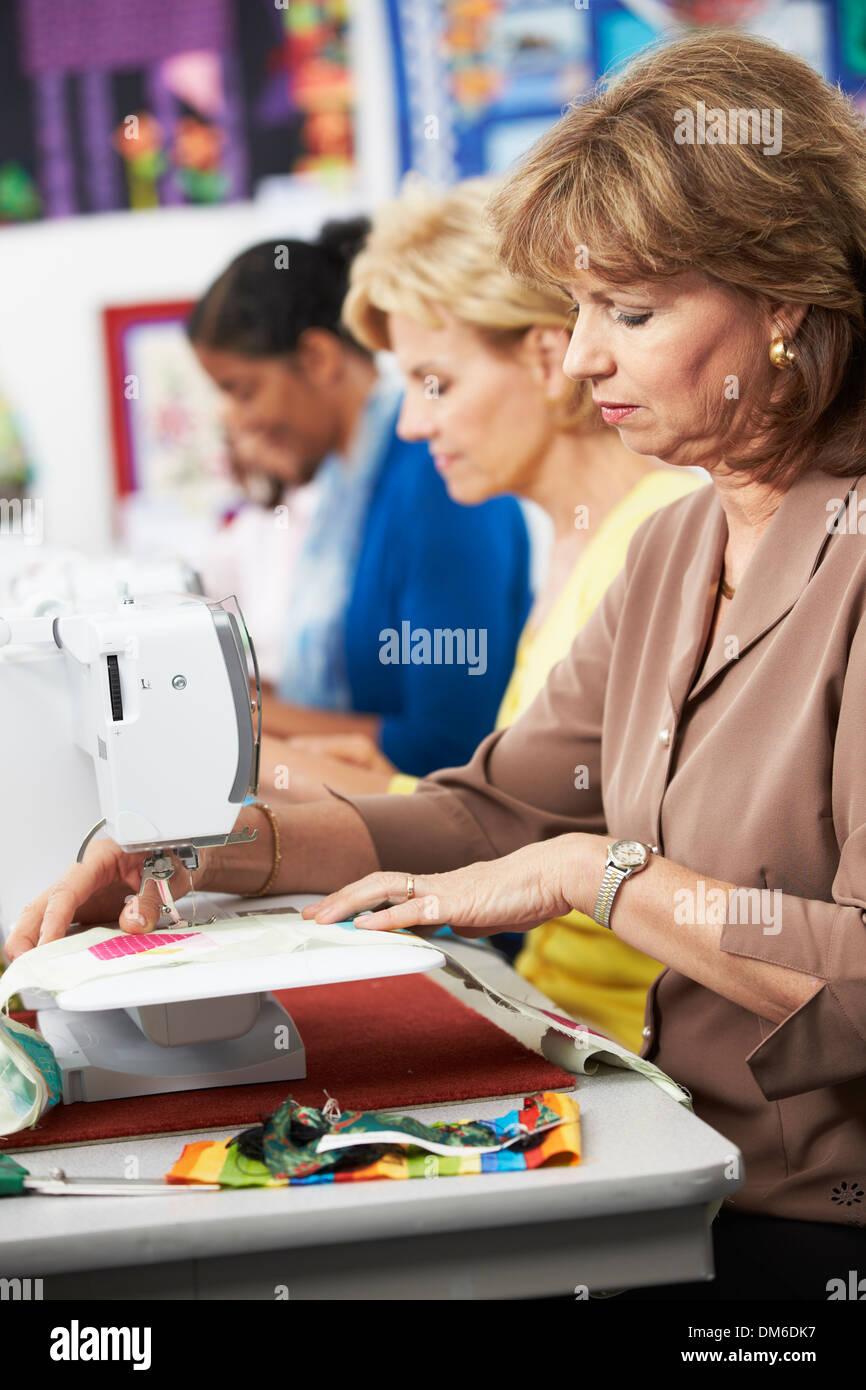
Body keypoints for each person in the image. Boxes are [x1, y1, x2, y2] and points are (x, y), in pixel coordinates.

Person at [10, 31, 866, 1298]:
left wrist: (598, 873)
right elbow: (491, 809)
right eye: (577, 311)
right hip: (677, 1148)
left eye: (626, 312)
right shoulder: (682, 541)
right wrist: (205, 845)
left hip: (810, 1227)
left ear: (784, 300)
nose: (576, 358)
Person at [263, 177, 704, 1047]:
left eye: (436, 383)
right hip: (550, 1003)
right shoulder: (579, 544)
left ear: (546, 361)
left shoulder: (650, 542)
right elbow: (539, 807)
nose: (411, 428)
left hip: (628, 1040)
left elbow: (519, 837)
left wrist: (268, 768)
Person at [189, 221, 531, 774]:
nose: (237, 421)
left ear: (319, 358)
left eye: (243, 390)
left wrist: (247, 712)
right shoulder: (346, 487)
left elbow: (448, 742)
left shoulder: (439, 479)